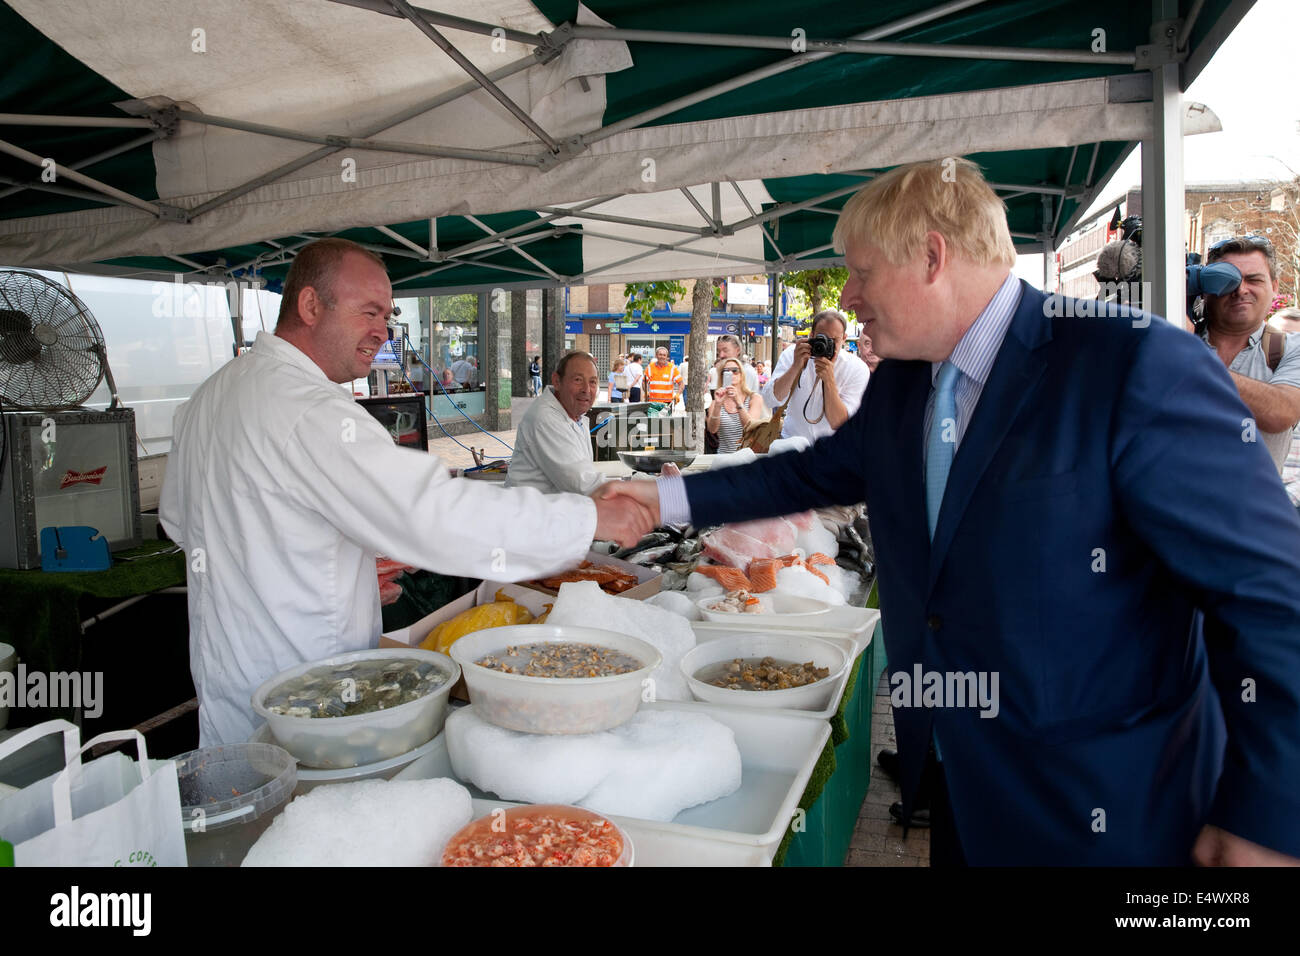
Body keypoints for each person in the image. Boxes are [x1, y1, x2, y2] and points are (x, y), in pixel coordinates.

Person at [598, 159, 1300, 866]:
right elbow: (812, 472)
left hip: (1110, 808)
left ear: (933, 256)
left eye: (862, 272)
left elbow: (1272, 593)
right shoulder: (908, 379)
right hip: (963, 785)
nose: (848, 295)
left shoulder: (1135, 362)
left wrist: (1268, 816)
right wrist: (665, 498)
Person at [160, 239, 652, 747]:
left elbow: (185, 522)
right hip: (307, 699)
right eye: (369, 312)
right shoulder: (311, 408)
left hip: (227, 692)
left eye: (388, 315)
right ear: (310, 306)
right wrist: (587, 519)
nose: (382, 330)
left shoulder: (212, 393)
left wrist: (336, 569)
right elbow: (432, 512)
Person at [1201, 236, 1300, 473]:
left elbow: (1280, 412)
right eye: (1227, 280)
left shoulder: (1290, 348)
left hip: (1251, 508)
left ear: (1274, 287)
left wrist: (1187, 358)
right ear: (1205, 288)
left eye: (1253, 279)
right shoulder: (1177, 335)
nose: (1240, 289)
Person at [506, 350, 608, 496]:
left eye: (592, 382)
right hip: (533, 514)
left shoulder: (574, 416)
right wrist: (643, 492)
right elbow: (581, 484)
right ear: (557, 381)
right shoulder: (544, 418)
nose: (586, 389)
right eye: (578, 380)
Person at [761, 309, 869, 442]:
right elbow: (770, 400)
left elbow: (840, 424)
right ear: (811, 335)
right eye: (821, 338)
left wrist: (829, 381)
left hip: (832, 451)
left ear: (844, 339)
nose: (825, 345)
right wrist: (795, 367)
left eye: (833, 340)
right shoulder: (792, 354)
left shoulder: (856, 368)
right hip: (792, 446)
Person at [707, 357, 767, 454]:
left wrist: (738, 403)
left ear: (741, 374)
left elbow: (750, 428)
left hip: (747, 459)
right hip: (724, 458)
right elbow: (713, 429)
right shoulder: (716, 401)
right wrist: (718, 405)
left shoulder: (754, 398)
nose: (731, 374)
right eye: (726, 371)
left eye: (735, 371)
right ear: (721, 376)